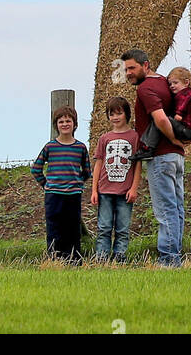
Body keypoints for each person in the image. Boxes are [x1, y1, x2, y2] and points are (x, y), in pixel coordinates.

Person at [122, 49, 185, 268]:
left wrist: (174, 139)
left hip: (161, 156)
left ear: (145, 65)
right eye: (126, 69)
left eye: (132, 68)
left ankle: (168, 260)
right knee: (176, 208)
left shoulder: (146, 88)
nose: (128, 73)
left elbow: (160, 119)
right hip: (176, 159)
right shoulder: (165, 83)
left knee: (165, 210)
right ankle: (175, 256)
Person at [31, 106, 91, 261]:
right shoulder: (50, 147)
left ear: (75, 124)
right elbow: (36, 168)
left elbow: (87, 171)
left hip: (73, 195)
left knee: (72, 229)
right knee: (54, 229)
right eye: (61, 121)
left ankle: (73, 260)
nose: (65, 124)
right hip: (53, 195)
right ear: (56, 125)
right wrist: (46, 184)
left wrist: (77, 183)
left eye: (68, 121)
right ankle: (54, 260)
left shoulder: (80, 147)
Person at [91, 96, 141, 262]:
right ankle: (102, 257)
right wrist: (94, 190)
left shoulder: (135, 137)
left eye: (119, 113)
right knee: (104, 226)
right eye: (112, 114)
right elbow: (99, 164)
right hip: (105, 189)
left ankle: (120, 256)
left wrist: (134, 188)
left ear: (126, 114)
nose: (115, 117)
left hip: (125, 191)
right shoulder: (104, 138)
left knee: (123, 227)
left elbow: (137, 165)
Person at [134, 66, 191, 159]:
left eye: (175, 83)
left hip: (189, 130)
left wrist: (178, 115)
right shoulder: (189, 94)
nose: (172, 86)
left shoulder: (184, 95)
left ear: (186, 82)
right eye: (170, 84)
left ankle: (148, 148)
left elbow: (182, 106)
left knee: (159, 121)